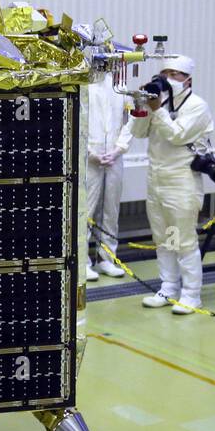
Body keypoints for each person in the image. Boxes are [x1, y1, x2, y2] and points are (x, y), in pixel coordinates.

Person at [129, 54, 214, 314]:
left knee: (184, 240)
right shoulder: (159, 102)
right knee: (163, 239)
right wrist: (141, 104)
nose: (168, 79)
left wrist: (158, 110)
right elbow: (138, 132)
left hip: (181, 180)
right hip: (156, 179)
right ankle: (168, 288)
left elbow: (177, 135)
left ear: (188, 79)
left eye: (174, 74)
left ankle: (191, 294)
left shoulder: (197, 106)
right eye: (165, 73)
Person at [83, 73, 134, 280]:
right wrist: (89, 152)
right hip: (88, 158)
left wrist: (118, 149)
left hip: (114, 156)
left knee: (111, 210)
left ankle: (107, 259)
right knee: (85, 209)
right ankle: (82, 262)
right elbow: (76, 118)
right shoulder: (83, 83)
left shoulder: (119, 85)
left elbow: (130, 120)